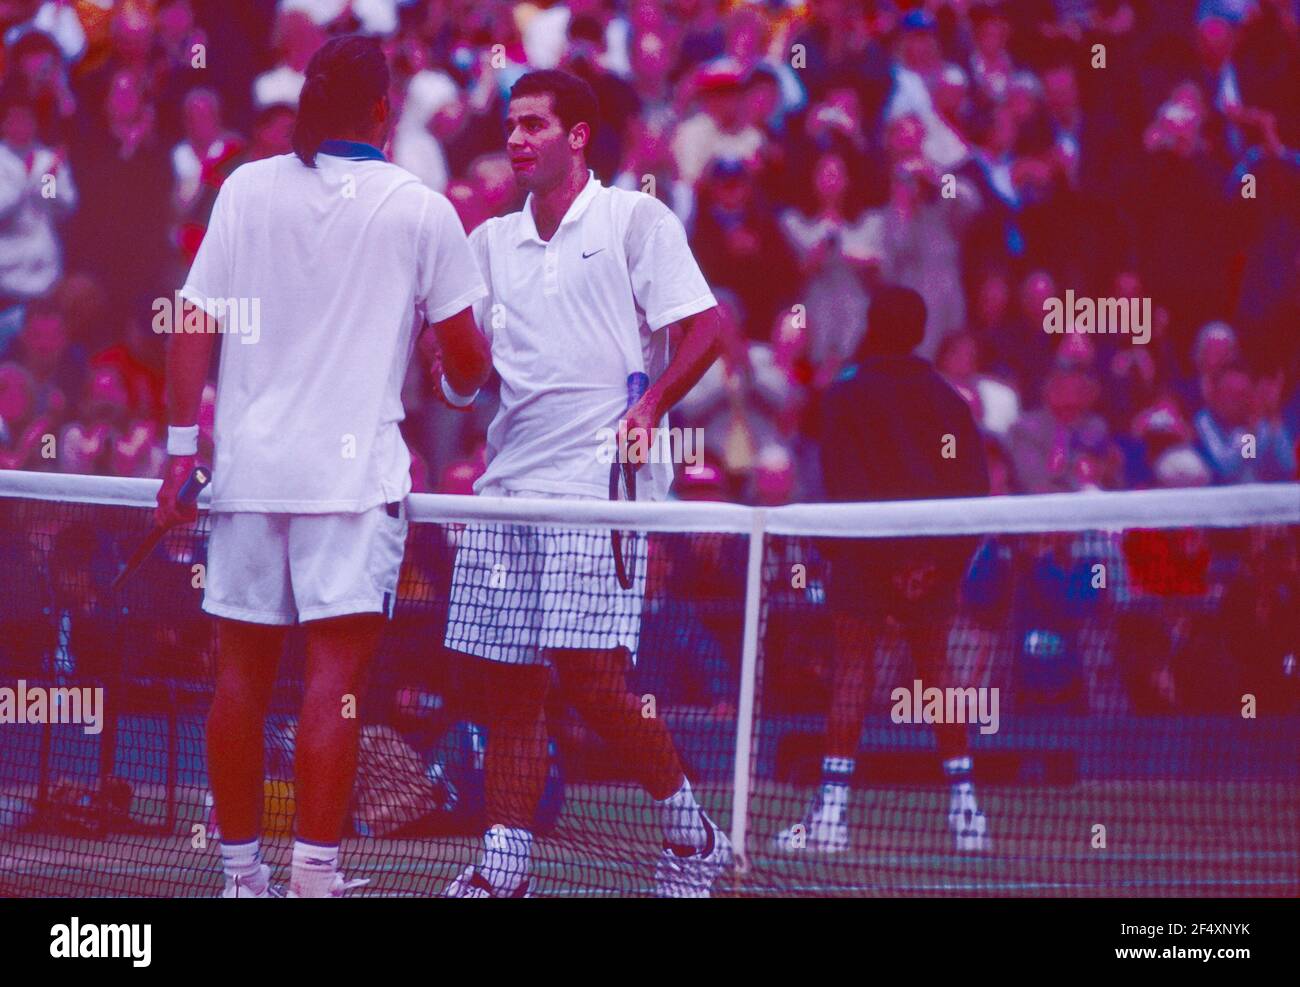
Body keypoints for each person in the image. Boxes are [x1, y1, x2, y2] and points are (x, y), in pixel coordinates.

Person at [154, 35, 492, 899]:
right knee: (334, 685)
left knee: (240, 678)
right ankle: (314, 878)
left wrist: (180, 456)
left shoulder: (244, 188)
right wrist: (443, 367)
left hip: (249, 476)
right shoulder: (423, 209)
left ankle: (240, 878)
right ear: (383, 110)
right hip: (351, 486)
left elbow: (191, 322)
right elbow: (468, 368)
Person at [441, 69, 727, 898]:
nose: (517, 138)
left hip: (598, 484)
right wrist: (446, 364)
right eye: (510, 124)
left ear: (576, 137)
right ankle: (505, 863)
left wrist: (655, 409)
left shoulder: (635, 218)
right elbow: (465, 384)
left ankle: (689, 831)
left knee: (593, 678)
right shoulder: (488, 243)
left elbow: (705, 328)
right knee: (510, 681)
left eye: (534, 124)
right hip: (507, 488)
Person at [775, 285, 994, 854]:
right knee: (938, 676)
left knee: (853, 670)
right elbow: (972, 489)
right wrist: (934, 566)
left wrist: (883, 564)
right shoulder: (949, 400)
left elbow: (840, 486)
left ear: (875, 324)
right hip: (927, 559)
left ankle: (831, 819)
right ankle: (967, 814)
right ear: (920, 332)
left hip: (865, 556)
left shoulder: (845, 396)